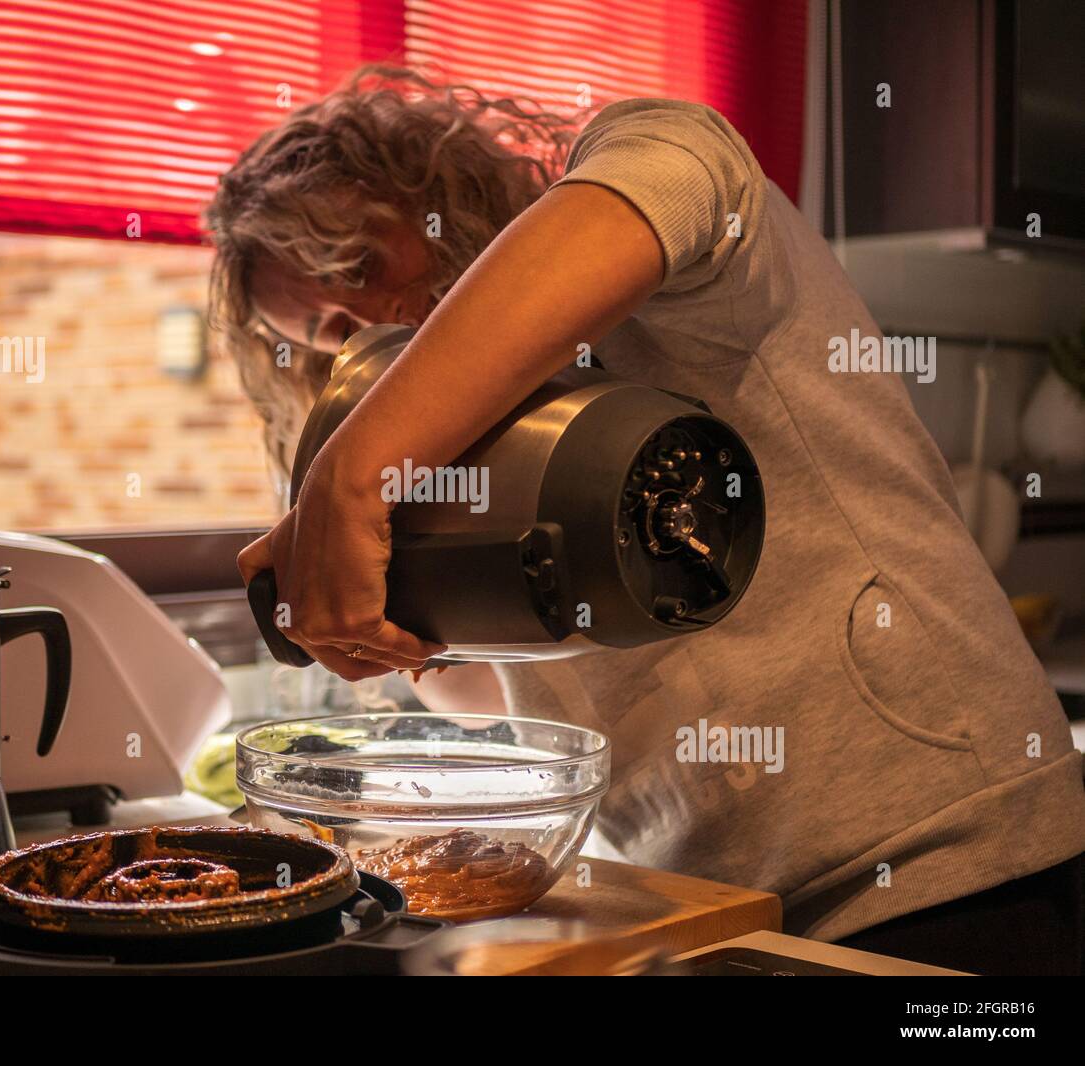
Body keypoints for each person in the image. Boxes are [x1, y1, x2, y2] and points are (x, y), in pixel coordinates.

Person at [205, 67, 1085, 974]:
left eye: (362, 267)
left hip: (955, 863)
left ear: (438, 187)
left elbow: (670, 171)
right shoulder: (434, 455)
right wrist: (381, 600)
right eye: (330, 332)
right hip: (727, 911)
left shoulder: (670, 214)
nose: (369, 330)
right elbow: (481, 695)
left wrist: (348, 480)